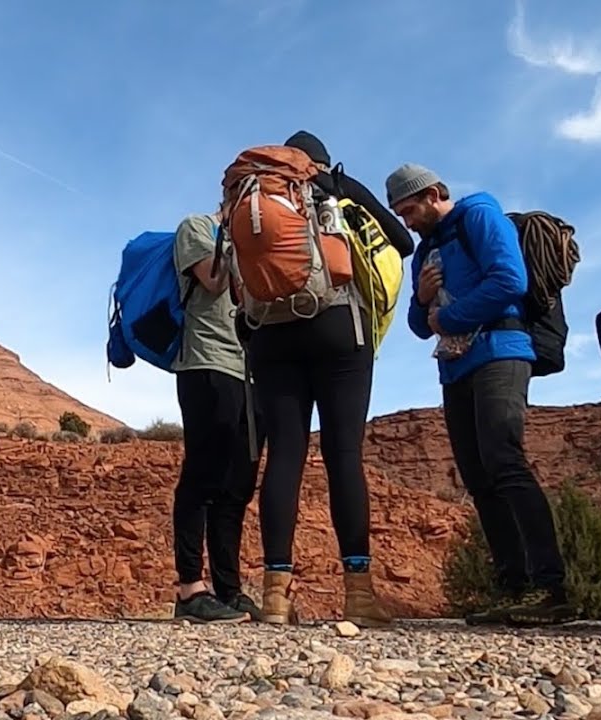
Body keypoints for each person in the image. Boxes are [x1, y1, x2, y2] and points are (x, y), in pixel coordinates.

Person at [384, 162, 575, 626]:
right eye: (401, 214)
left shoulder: (480, 216)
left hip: (501, 351)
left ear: (434, 193)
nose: (407, 221)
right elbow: (416, 326)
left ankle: (550, 588)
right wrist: (423, 297)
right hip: (455, 368)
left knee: (503, 459)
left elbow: (510, 280)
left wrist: (446, 318)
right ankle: (513, 588)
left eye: (410, 210)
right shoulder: (425, 252)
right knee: (478, 476)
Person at [242, 131, 415, 627]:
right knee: (343, 454)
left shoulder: (253, 194)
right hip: (339, 326)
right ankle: (358, 595)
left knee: (285, 456)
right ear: (318, 162)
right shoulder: (336, 184)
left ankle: (275, 595)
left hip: (270, 334)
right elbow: (401, 243)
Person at [168, 207, 265, 623]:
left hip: (251, 373)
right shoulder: (197, 227)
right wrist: (238, 233)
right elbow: (213, 278)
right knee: (203, 474)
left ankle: (229, 589)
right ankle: (190, 588)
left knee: (238, 485)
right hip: (206, 363)